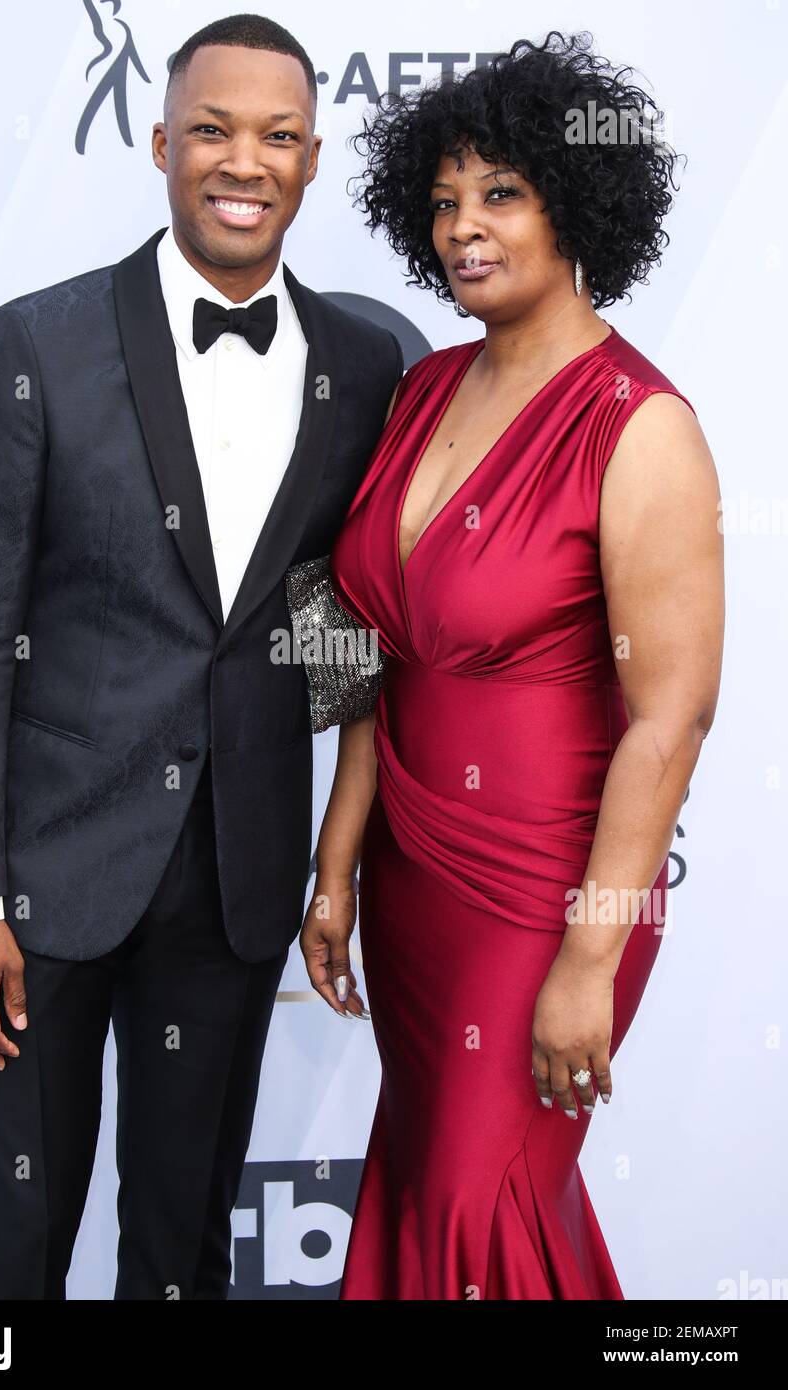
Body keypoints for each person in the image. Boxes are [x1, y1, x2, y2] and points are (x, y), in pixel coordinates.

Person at [0, 14, 402, 1300]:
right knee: (12, 1249)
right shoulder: (39, 345)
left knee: (181, 1247)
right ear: (159, 143)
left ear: (310, 160)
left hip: (235, 883)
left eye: (278, 136)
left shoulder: (366, 364)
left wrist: (336, 861)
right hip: (44, 886)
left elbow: (336, 615)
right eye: (213, 130)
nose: (244, 161)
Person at [301, 31, 724, 1299]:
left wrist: (591, 955)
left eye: (500, 194)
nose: (461, 229)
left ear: (573, 204)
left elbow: (672, 719)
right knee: (444, 1181)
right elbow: (366, 647)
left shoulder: (639, 425)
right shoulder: (420, 389)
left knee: (477, 1194)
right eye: (440, 202)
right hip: (413, 870)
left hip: (546, 888)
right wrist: (334, 864)